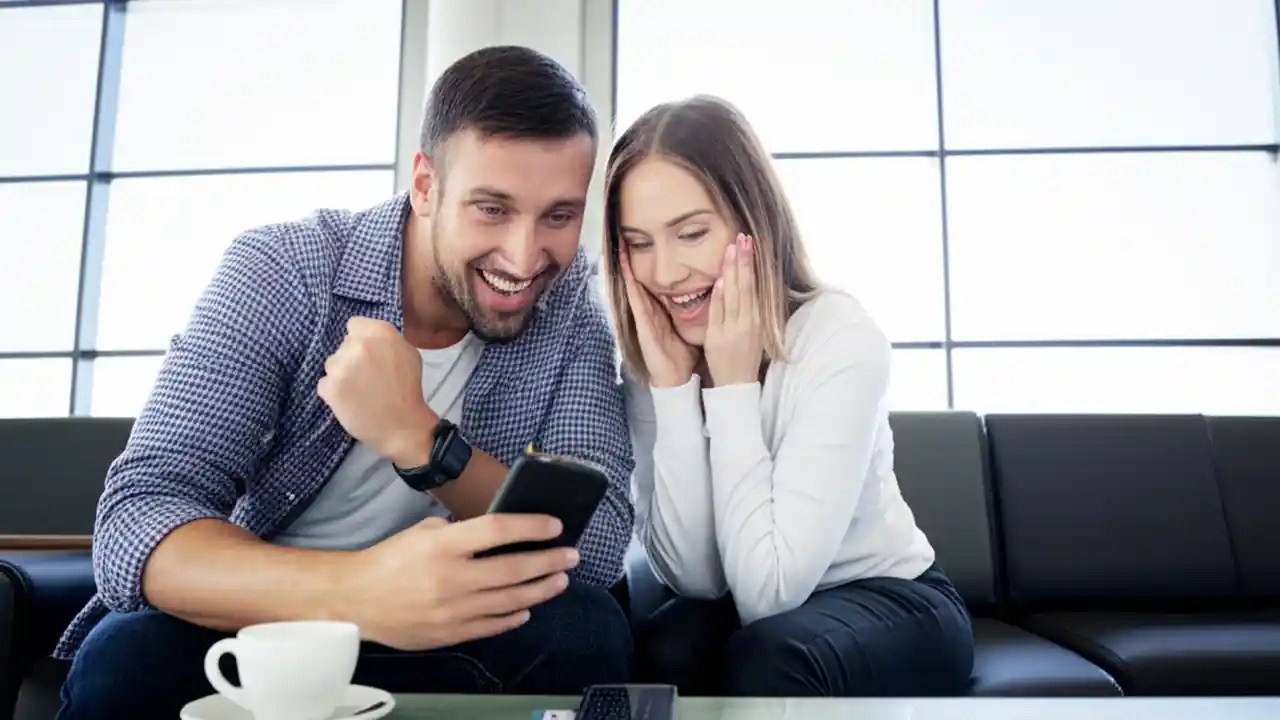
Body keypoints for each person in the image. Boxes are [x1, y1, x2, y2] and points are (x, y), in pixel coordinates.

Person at [54, 46, 635, 718]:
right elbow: (141, 516)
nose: (525, 256)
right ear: (425, 186)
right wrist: (361, 591)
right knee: (126, 659)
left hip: (450, 632)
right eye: (492, 209)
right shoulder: (284, 271)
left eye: (558, 216)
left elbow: (592, 551)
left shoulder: (570, 309)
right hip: (270, 619)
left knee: (586, 629)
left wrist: (422, 441)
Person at [605, 95, 974, 697]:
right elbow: (696, 579)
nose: (666, 273)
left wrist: (732, 387)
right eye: (639, 244)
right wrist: (673, 390)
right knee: (661, 646)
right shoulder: (658, 351)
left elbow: (768, 593)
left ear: (753, 222)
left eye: (691, 233)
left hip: (893, 597)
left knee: (772, 656)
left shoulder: (839, 338)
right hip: (754, 604)